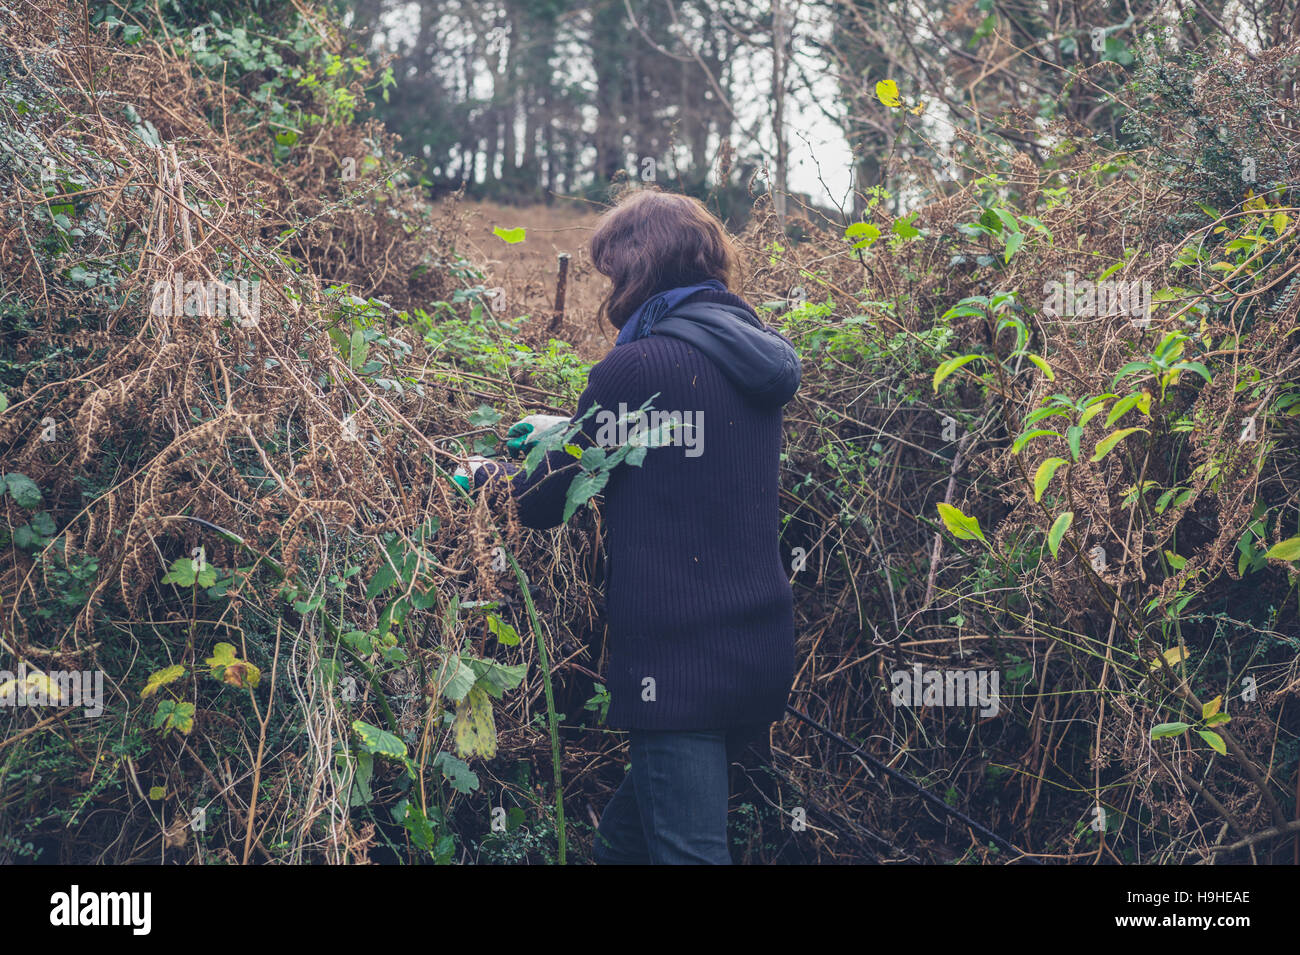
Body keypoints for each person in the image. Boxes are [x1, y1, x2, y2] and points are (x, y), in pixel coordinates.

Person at [463, 189, 801, 864]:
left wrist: (481, 477)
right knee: (624, 841)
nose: (610, 289)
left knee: (686, 850)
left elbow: (543, 499)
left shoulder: (636, 365)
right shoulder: (756, 359)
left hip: (680, 668)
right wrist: (574, 428)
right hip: (758, 650)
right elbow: (681, 448)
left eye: (614, 272)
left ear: (640, 270)